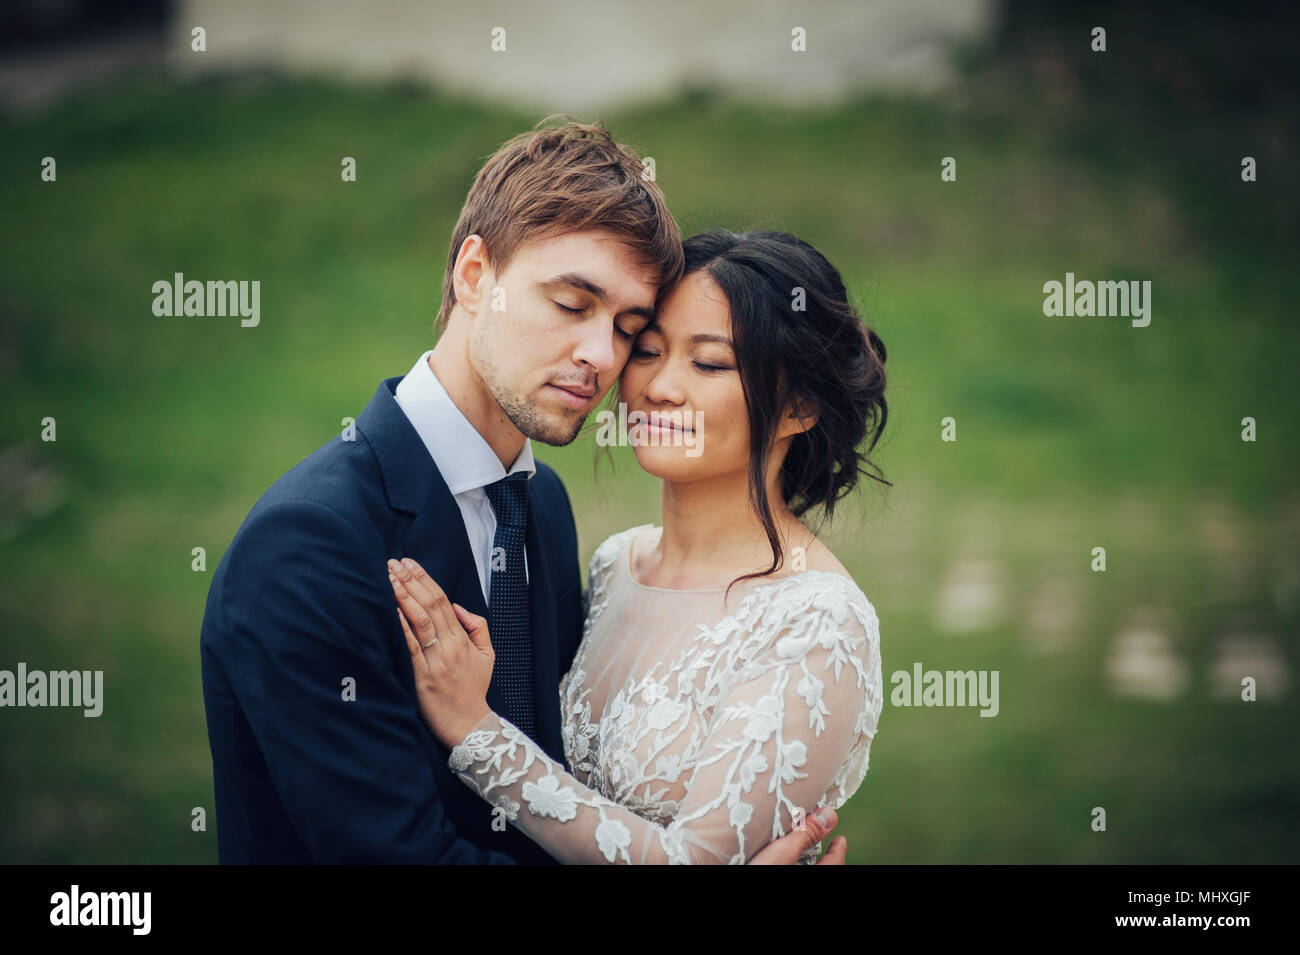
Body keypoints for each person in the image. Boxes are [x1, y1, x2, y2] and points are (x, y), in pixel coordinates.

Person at [200, 118, 844, 864]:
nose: (600, 357)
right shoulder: (312, 542)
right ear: (475, 277)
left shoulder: (542, 509)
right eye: (572, 305)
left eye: (628, 327)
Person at [389, 227, 889, 863]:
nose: (659, 388)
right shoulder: (614, 565)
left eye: (708, 363)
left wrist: (475, 731)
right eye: (647, 352)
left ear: (799, 406)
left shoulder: (815, 622)